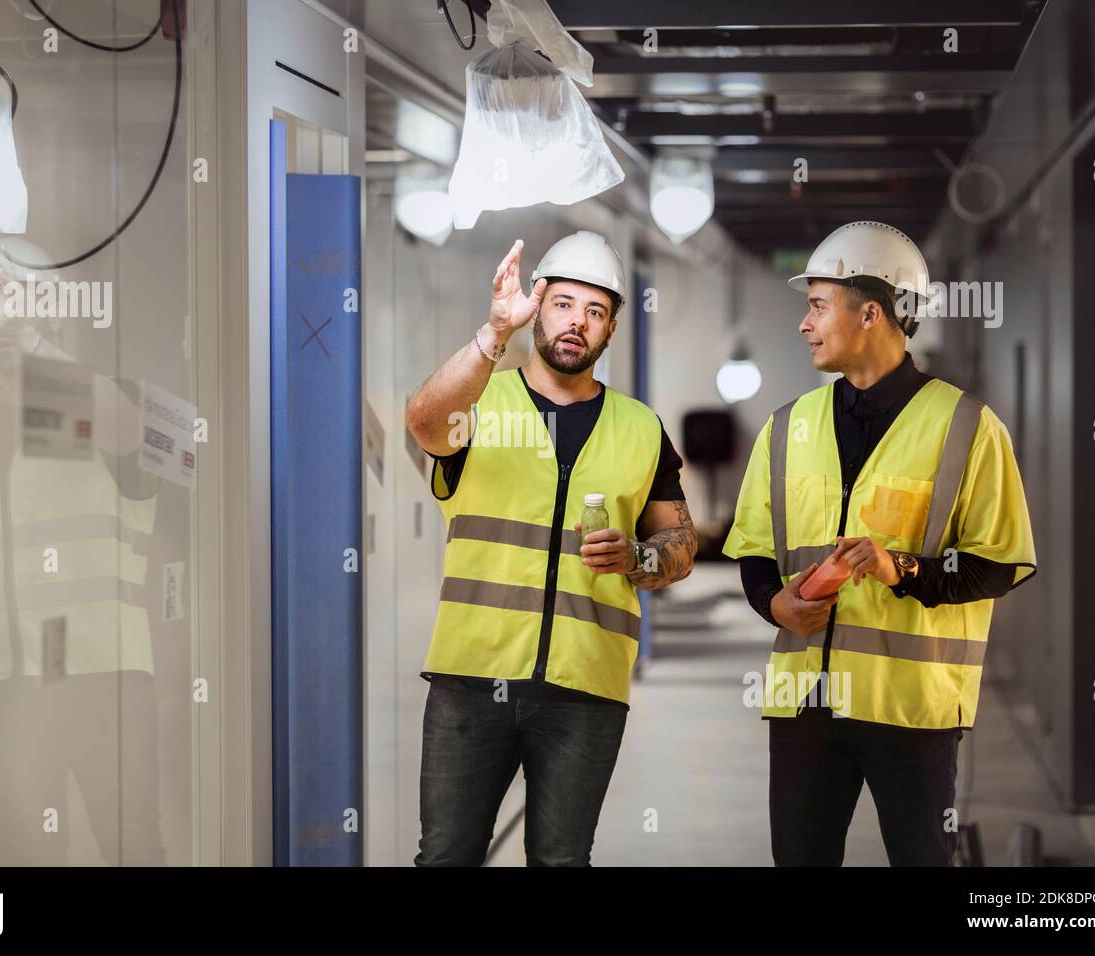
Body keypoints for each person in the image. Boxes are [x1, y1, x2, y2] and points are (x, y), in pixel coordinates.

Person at [722, 221, 1037, 866]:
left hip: (912, 708)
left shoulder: (969, 430)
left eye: (816, 305)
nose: (804, 324)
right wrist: (773, 605)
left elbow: (998, 564)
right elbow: (754, 552)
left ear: (871, 312)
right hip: (804, 702)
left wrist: (907, 570)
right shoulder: (785, 429)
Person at [405, 231, 698, 866]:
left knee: (563, 861)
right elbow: (424, 423)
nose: (577, 323)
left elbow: (680, 543)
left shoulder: (641, 428)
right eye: (564, 304)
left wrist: (638, 558)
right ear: (537, 307)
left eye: (595, 312)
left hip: (585, 688)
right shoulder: (482, 403)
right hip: (471, 681)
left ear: (612, 329)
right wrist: (491, 336)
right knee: (446, 856)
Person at [0, 239, 166, 864]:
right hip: (6, 685)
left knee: (133, 849)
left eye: (8, 298)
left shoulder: (114, 396)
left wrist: (36, 346)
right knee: (20, 856)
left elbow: (135, 442)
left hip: (105, 676)